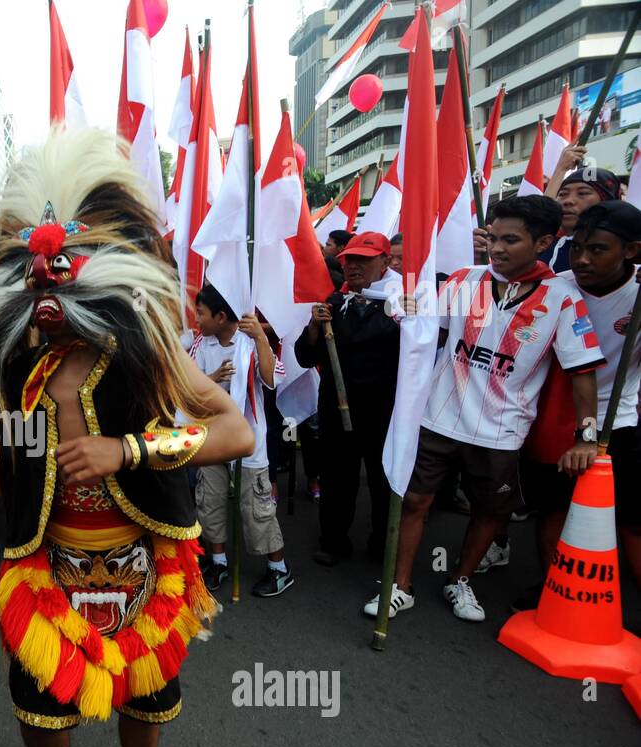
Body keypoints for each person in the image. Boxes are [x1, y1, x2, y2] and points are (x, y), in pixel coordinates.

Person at [0, 129, 253, 747]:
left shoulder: (154, 352)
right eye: (38, 270)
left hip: (144, 567)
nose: (49, 285)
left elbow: (237, 431)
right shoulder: (15, 351)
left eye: (64, 268)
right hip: (44, 561)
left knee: (145, 704)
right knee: (39, 714)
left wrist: (130, 450)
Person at [365, 195, 604, 623]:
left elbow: (582, 372)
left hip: (501, 430)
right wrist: (401, 304)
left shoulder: (564, 298)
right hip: (438, 417)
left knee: (490, 511)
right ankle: (400, 585)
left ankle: (460, 580)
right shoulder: (462, 280)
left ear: (545, 241)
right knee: (415, 498)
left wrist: (587, 435)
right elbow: (422, 320)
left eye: (510, 239)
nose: (496, 248)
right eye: (493, 237)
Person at [500, 201, 641, 603]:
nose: (581, 259)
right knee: (554, 507)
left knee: (632, 520)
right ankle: (553, 592)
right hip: (559, 417)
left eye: (597, 250)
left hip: (621, 416)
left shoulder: (638, 293)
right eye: (577, 247)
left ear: (630, 251)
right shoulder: (556, 287)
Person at [295, 232, 402, 566]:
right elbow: (303, 356)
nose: (354, 266)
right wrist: (314, 327)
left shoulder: (403, 304)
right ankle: (333, 540)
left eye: (364, 260)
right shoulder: (334, 302)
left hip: (383, 410)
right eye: (350, 259)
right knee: (337, 478)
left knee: (383, 481)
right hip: (336, 408)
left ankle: (383, 546)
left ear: (385, 262)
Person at [190, 284, 293, 597]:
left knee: (256, 508)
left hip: (248, 441)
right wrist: (213, 380)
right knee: (209, 501)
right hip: (211, 439)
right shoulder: (200, 345)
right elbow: (187, 390)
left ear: (221, 317)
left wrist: (261, 336)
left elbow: (272, 378)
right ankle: (218, 561)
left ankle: (278, 568)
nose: (196, 319)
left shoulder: (249, 344)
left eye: (201, 313)